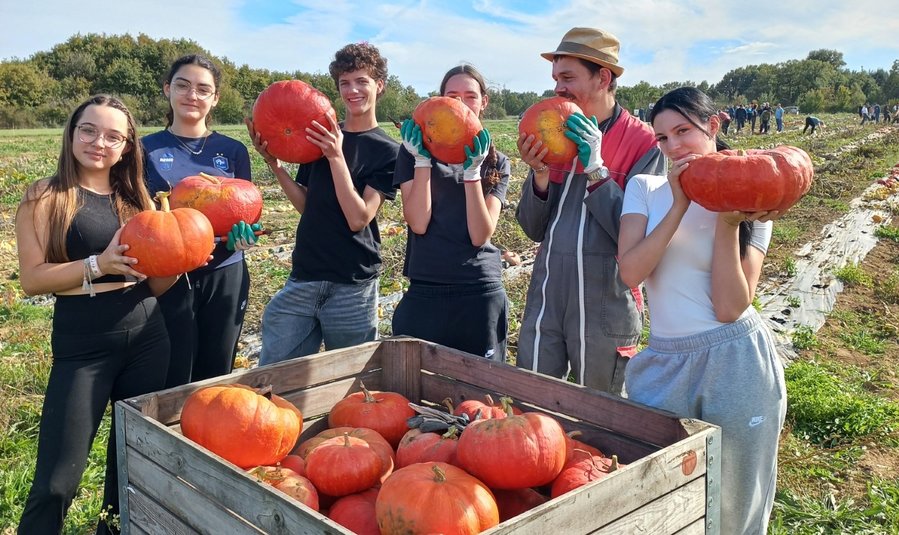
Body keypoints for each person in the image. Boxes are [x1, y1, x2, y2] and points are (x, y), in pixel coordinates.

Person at [618, 86, 786, 535]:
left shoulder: (755, 197)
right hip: (664, 360)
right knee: (663, 494)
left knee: (736, 495)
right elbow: (631, 272)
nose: (673, 146)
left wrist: (728, 222)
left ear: (714, 125)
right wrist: (680, 203)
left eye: (683, 131)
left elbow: (731, 306)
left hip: (736, 360)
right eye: (662, 137)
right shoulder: (646, 187)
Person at [15, 95, 174, 534]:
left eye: (112, 136)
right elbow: (32, 279)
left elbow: (154, 283)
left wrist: (180, 264)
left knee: (129, 466)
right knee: (56, 481)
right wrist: (97, 265)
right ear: (71, 133)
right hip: (83, 343)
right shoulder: (46, 196)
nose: (98, 142)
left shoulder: (135, 197)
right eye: (88, 130)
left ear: (126, 146)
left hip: (147, 334)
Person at [515, 27, 666, 393]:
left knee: (600, 412)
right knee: (532, 398)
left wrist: (597, 169)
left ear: (603, 77)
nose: (558, 88)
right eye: (555, 78)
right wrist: (538, 173)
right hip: (548, 293)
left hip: (606, 301)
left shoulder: (643, 142)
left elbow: (636, 238)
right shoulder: (552, 132)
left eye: (568, 77)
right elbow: (534, 229)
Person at [249, 43, 399, 364]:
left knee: (349, 382)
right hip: (305, 274)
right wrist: (275, 165)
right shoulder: (318, 132)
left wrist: (335, 156)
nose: (353, 90)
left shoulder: (387, 151)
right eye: (345, 83)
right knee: (276, 374)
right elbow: (307, 204)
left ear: (379, 85)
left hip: (352, 285)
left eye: (362, 81)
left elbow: (359, 218)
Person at [142, 54, 255, 387]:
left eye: (203, 89)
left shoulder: (233, 150)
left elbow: (245, 209)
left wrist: (244, 237)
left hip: (225, 272)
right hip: (169, 276)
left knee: (216, 374)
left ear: (215, 98)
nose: (193, 95)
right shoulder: (143, 149)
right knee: (172, 374)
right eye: (183, 85)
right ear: (167, 89)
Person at [392, 64, 511, 361]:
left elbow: (479, 235)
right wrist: (421, 161)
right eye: (452, 95)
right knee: (413, 390)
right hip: (426, 287)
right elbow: (418, 222)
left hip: (479, 291)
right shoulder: (412, 152)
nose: (460, 103)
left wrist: (472, 173)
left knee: (483, 397)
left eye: (470, 96)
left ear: (483, 102)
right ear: (440, 100)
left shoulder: (497, 162)